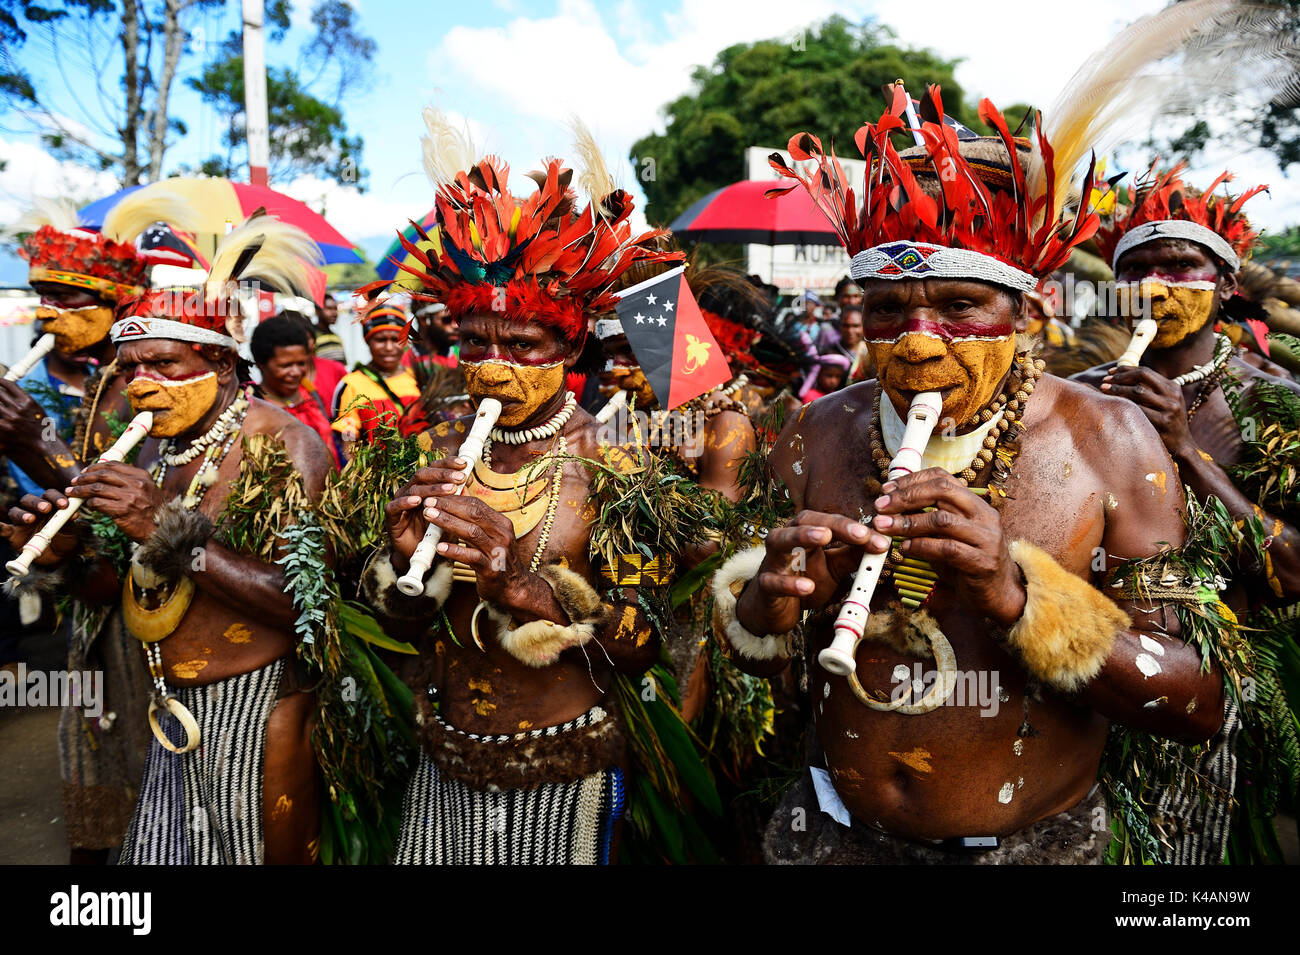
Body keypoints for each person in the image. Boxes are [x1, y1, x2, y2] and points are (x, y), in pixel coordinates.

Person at [712, 90, 1225, 864]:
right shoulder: (820, 429)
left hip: (1032, 847)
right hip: (830, 834)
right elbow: (745, 648)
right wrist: (771, 598)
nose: (917, 345)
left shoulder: (1113, 438)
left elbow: (1197, 699)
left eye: (959, 305)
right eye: (888, 311)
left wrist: (1019, 596)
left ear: (1022, 313)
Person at [360, 110, 680, 864]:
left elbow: (644, 646)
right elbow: (398, 629)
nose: (493, 364)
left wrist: (533, 595)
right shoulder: (432, 440)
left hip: (566, 764)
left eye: (522, 343)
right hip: (443, 758)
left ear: (570, 345)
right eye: (475, 342)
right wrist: (405, 572)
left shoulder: (616, 461)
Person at [3, 213, 333, 865]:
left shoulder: (283, 444)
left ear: (218, 358)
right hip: (161, 700)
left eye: (163, 362)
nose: (144, 382)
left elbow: (304, 607)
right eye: (130, 368)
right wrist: (68, 554)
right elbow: (119, 584)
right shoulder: (152, 442)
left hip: (254, 707)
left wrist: (166, 529)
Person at [1073, 163, 1300, 862]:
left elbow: (1292, 572)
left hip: (1238, 704)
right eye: (1136, 268)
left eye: (1180, 265)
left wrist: (1185, 450)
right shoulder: (1075, 399)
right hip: (1094, 688)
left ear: (1227, 285)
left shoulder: (1274, 401)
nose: (1156, 286)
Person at [0, 193, 196, 863]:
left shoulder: (144, 385)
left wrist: (36, 444)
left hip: (148, 609)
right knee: (93, 745)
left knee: (144, 754)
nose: (47, 314)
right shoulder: (99, 378)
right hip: (96, 608)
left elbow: (123, 513)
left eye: (65, 297)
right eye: (41, 296)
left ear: (117, 304)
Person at [331, 305, 421, 458]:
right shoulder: (351, 384)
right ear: (368, 341)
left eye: (396, 339)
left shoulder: (417, 378)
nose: (388, 347)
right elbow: (348, 442)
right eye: (380, 340)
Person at [251, 315, 340, 468]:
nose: (296, 372)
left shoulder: (311, 394)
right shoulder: (253, 409)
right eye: (285, 365)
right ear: (261, 364)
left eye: (301, 363)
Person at [313, 293, 347, 364]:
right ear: (317, 311)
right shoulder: (311, 336)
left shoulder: (336, 338)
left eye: (335, 309)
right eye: (329, 308)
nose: (334, 313)